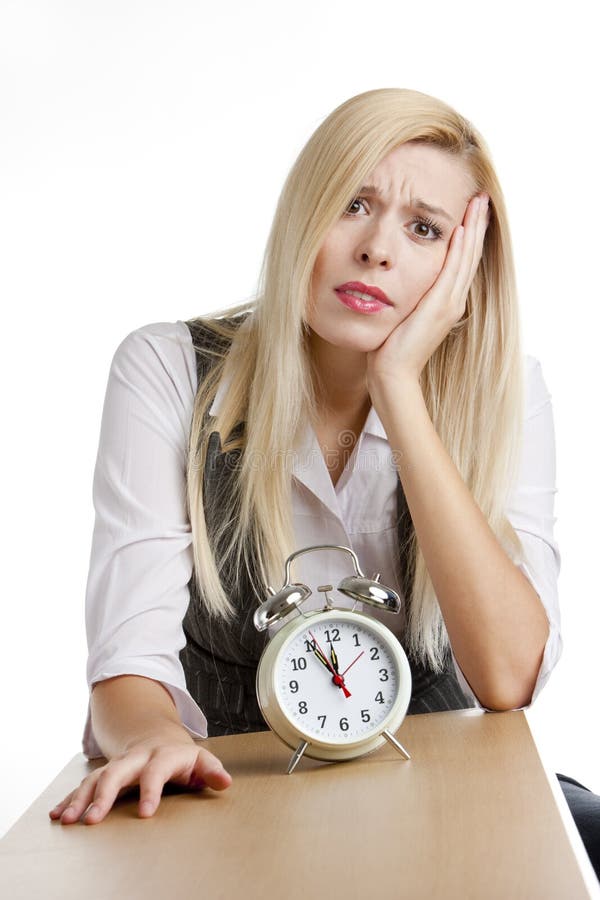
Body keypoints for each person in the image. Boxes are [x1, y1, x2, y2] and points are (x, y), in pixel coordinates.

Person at [48, 87, 599, 877]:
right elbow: (127, 662)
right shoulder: (166, 369)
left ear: (464, 267)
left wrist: (397, 388)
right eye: (352, 204)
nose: (377, 249)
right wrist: (154, 739)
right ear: (303, 213)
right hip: (234, 809)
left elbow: (508, 678)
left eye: (423, 228)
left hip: (447, 800)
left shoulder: (508, 395)